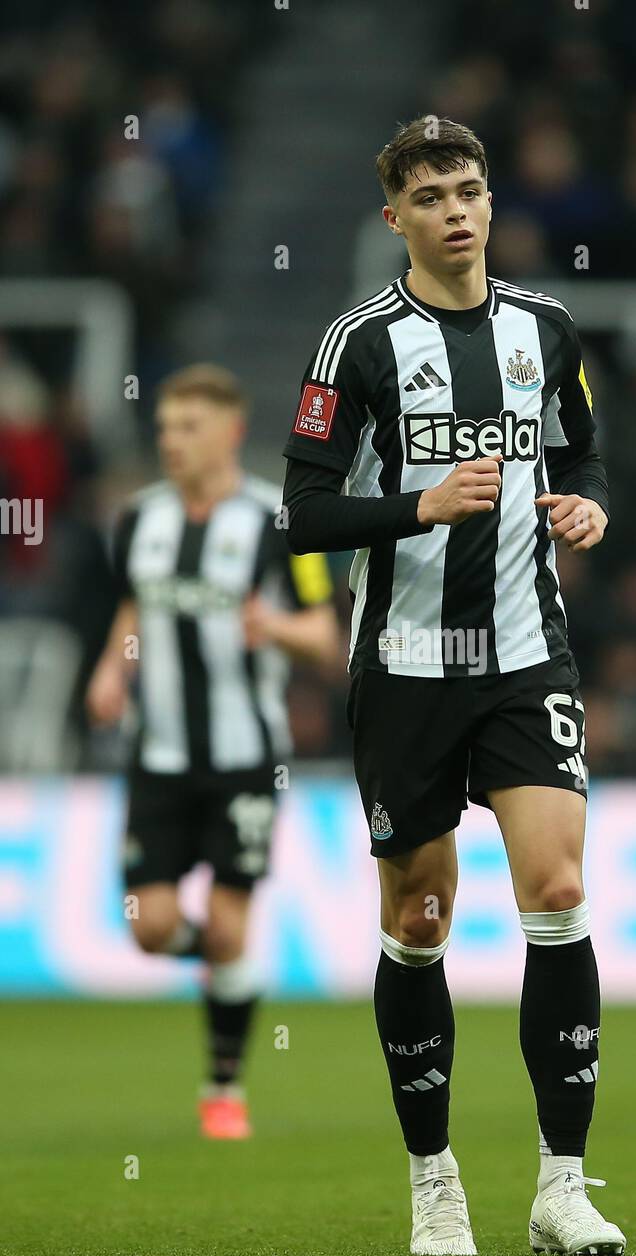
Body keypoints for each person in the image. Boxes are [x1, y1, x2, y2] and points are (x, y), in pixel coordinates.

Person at [282, 117, 625, 1256]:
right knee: (418, 917)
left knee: (557, 885)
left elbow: (576, 448)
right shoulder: (357, 346)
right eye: (429, 197)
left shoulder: (545, 327)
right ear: (397, 219)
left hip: (529, 656)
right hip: (405, 666)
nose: (456, 211)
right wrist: (416, 506)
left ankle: (561, 1184)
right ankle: (434, 1180)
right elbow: (305, 510)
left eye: (468, 190)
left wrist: (585, 503)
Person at [88, 364, 339, 1139]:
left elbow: (327, 635)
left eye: (188, 427)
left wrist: (275, 629)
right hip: (157, 755)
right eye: (164, 427)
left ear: (230, 432)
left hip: (244, 760)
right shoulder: (138, 519)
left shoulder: (282, 522)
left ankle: (223, 1086)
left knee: (229, 926)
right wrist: (111, 666)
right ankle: (227, 965)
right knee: (151, 926)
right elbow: (133, 604)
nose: (171, 442)